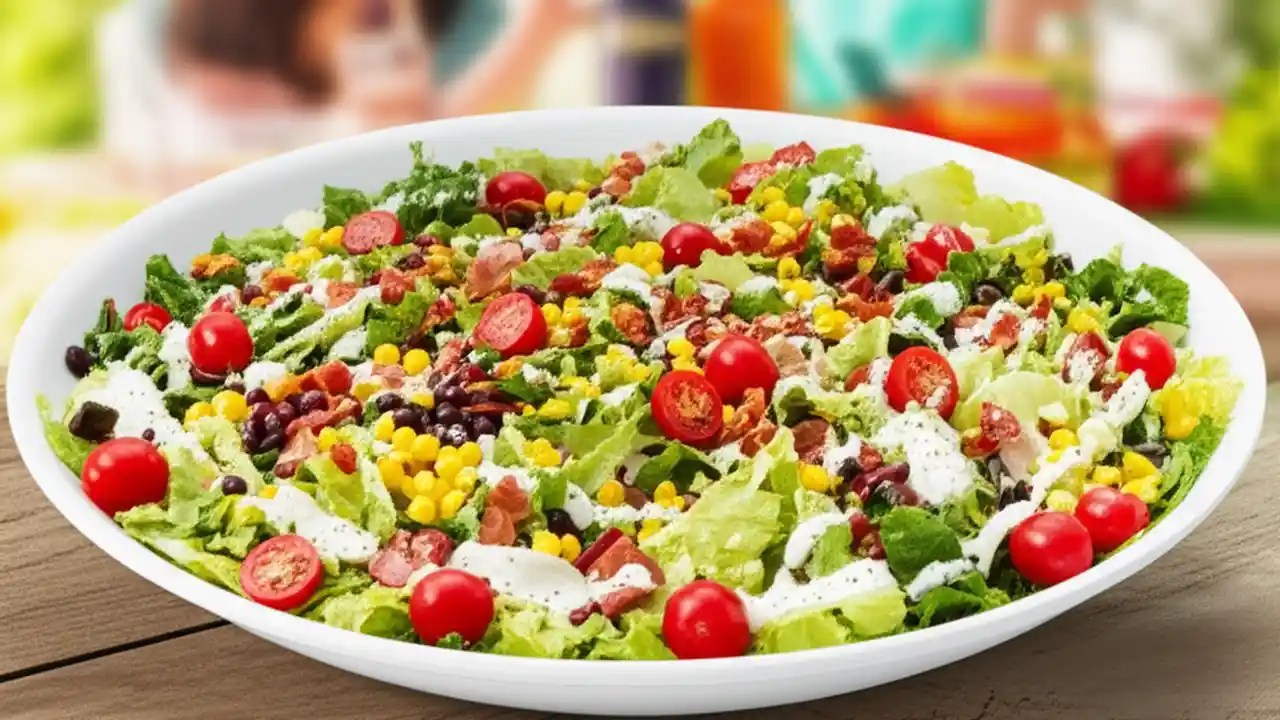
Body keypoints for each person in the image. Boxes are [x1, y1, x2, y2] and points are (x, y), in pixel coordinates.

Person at [97, 0, 589, 187]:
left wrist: (537, 34)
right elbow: (143, 169)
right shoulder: (161, 30)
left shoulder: (454, 21)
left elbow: (442, 133)